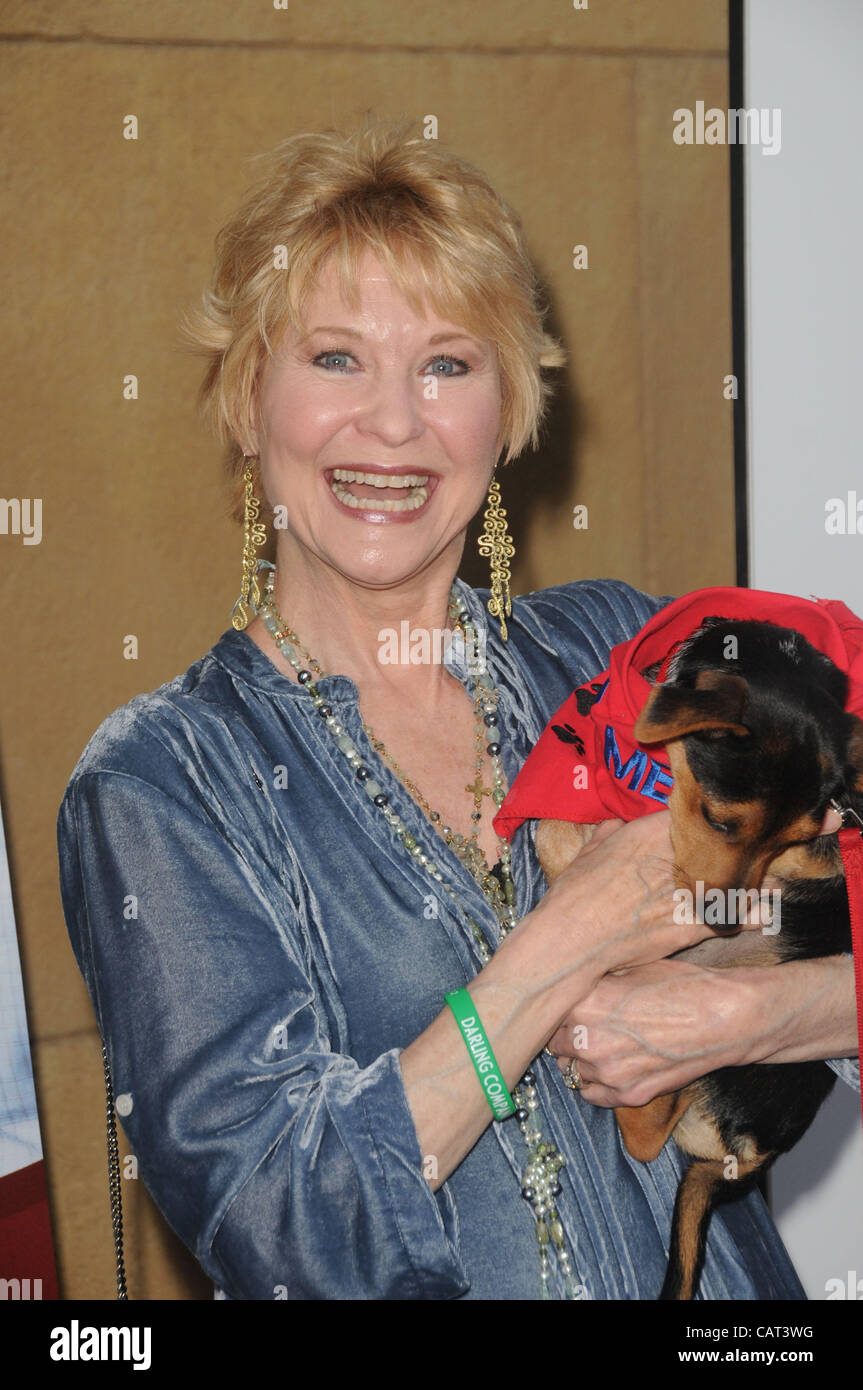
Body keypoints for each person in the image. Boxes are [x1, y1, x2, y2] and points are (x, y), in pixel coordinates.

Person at [56, 116, 859, 1301]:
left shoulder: (615, 649)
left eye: (446, 363)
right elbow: (289, 1230)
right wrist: (576, 932)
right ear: (246, 398)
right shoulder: (163, 780)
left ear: (507, 413)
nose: (392, 422)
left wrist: (747, 1005)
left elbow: (828, 905)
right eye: (333, 359)